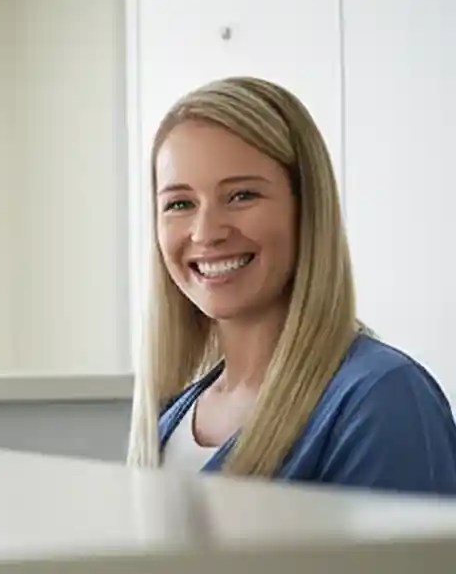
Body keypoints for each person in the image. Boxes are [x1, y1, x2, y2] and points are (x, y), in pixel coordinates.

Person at [127, 76, 456, 495]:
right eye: (180, 203)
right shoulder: (173, 415)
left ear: (308, 209)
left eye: (242, 195)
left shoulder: (382, 398)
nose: (206, 232)